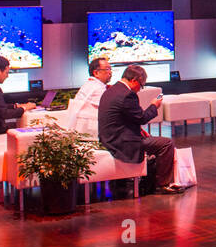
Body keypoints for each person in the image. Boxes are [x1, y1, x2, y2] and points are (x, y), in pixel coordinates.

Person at [98, 64, 180, 194]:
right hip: (122, 142)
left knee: (152, 140)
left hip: (109, 138)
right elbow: (141, 118)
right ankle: (163, 184)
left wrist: (138, 129)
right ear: (134, 80)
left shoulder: (111, 90)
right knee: (166, 144)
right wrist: (154, 105)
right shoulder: (127, 95)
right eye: (141, 86)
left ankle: (153, 180)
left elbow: (125, 118)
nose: (139, 90)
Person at [66, 57, 111, 133]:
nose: (110, 72)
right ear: (96, 73)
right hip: (89, 131)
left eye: (110, 69)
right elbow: (108, 110)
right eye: (107, 69)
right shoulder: (97, 88)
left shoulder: (89, 84)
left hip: (80, 129)